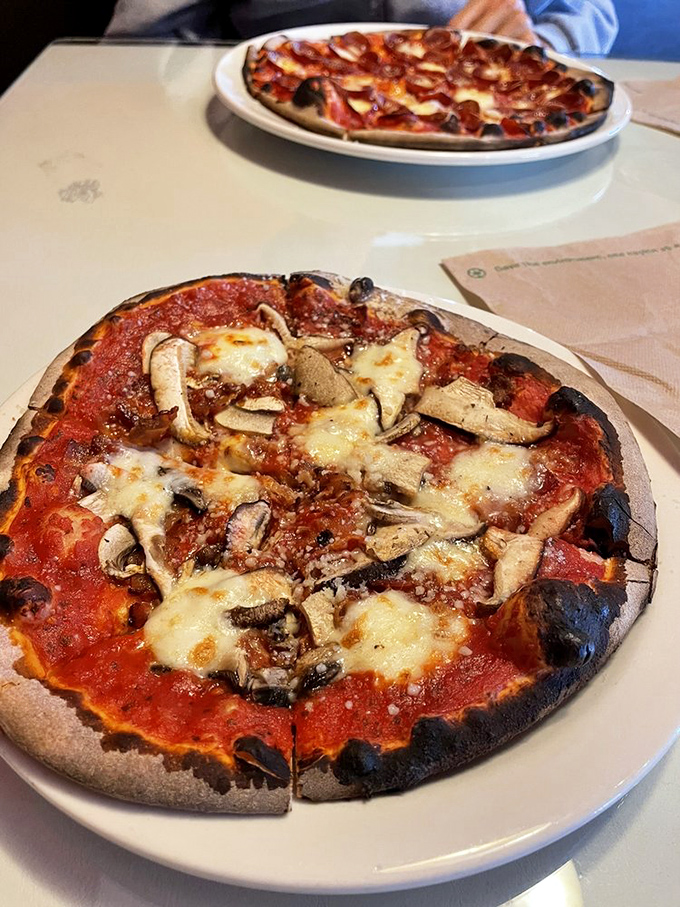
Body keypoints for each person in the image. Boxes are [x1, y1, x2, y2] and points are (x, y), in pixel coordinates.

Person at [105, 0, 618, 56]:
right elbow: (142, 41)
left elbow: (594, 11)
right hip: (265, 143)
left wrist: (543, 45)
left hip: (482, 103)